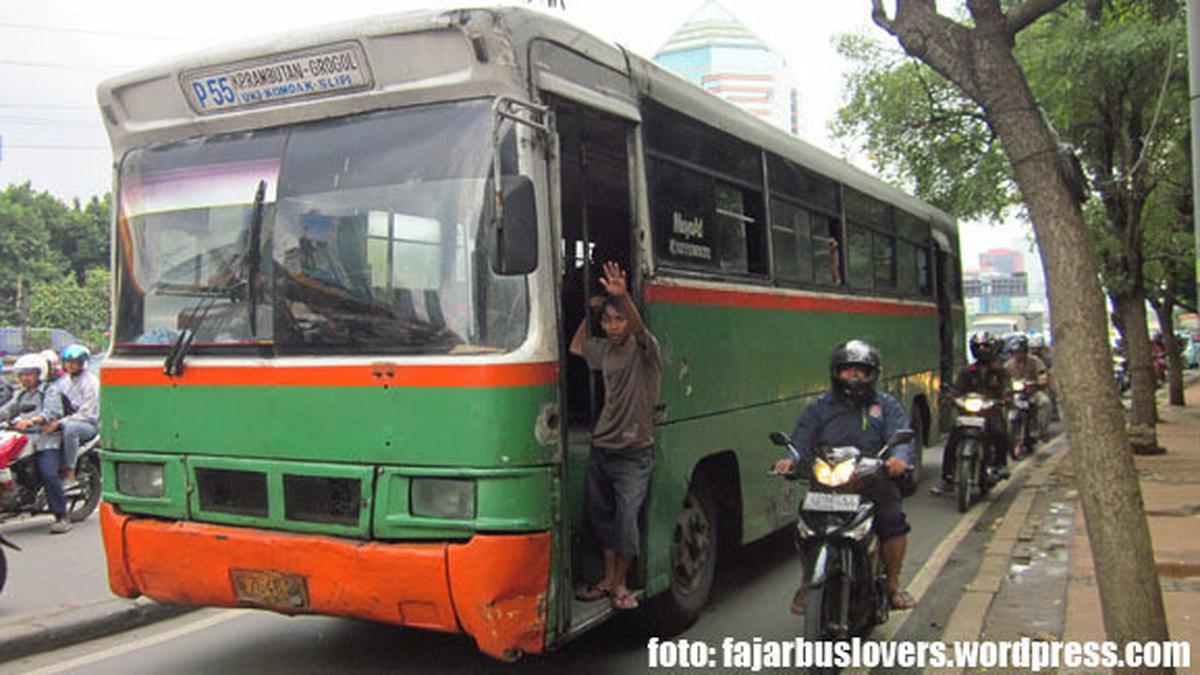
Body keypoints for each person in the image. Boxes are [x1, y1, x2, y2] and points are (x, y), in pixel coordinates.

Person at [771, 340, 917, 612]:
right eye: (848, 370)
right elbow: (801, 441)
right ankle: (808, 582)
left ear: (872, 374)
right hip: (829, 481)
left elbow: (901, 438)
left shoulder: (885, 405)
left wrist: (899, 459)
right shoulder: (819, 406)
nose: (855, 376)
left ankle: (893, 584)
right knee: (806, 526)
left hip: (872, 479)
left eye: (861, 371)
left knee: (892, 522)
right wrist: (790, 461)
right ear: (836, 373)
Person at [568, 261, 662, 611]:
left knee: (626, 520)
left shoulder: (645, 351)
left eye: (617, 320)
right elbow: (577, 347)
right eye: (609, 321)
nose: (612, 326)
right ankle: (610, 580)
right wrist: (590, 313)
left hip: (634, 452)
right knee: (603, 519)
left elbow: (639, 330)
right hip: (602, 447)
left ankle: (621, 583)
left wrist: (622, 299)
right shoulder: (604, 350)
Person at [934, 333, 1012, 495]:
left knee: (999, 431)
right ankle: (947, 477)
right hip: (968, 413)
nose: (982, 350)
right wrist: (950, 397)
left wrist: (1005, 397)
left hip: (990, 411)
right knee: (952, 441)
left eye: (985, 346)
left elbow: (1006, 389)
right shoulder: (967, 371)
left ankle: (1000, 464)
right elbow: (956, 390)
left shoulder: (1000, 372)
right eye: (978, 347)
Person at [0, 354, 69, 533]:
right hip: (22, 440)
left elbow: (52, 412)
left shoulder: (50, 390)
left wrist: (33, 420)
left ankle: (62, 516)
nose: (25, 378)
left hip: (45, 440)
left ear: (39, 374)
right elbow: (7, 410)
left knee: (48, 474)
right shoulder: (20, 394)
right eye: (22, 374)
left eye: (29, 374)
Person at [43, 344, 99, 489]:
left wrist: (61, 422)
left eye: (74, 362)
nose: (70, 365)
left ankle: (70, 474)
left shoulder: (90, 382)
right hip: (66, 420)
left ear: (83, 363)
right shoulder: (62, 382)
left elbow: (87, 413)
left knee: (71, 429)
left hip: (88, 424)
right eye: (68, 362)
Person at [1003, 334, 1051, 441]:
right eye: (1016, 352)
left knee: (1045, 402)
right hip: (1015, 394)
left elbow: (1042, 373)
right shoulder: (1008, 365)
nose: (1018, 355)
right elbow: (1003, 378)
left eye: (1021, 352)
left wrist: (1040, 381)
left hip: (1032, 391)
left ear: (1025, 351)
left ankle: (1042, 430)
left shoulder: (1035, 361)